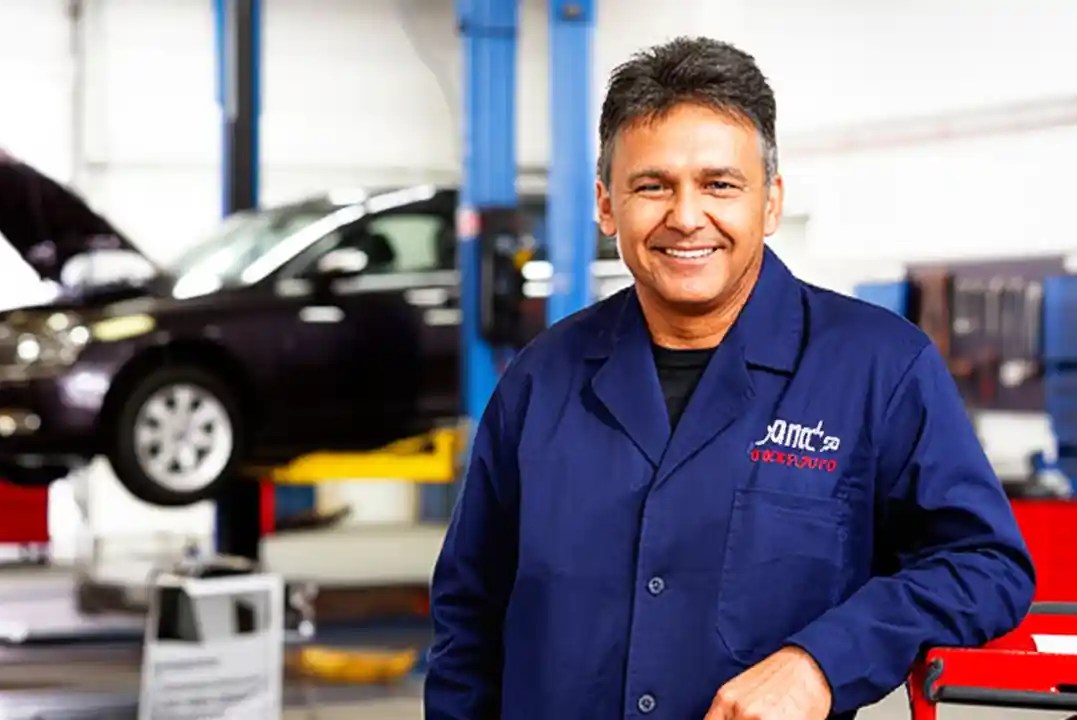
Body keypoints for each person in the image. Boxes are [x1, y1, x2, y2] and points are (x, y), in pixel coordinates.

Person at [423, 35, 1036, 720]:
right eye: (652, 186)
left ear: (770, 202)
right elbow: (469, 615)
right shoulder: (540, 382)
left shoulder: (878, 369)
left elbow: (983, 567)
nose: (686, 217)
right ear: (605, 205)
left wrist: (822, 663)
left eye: (720, 184)